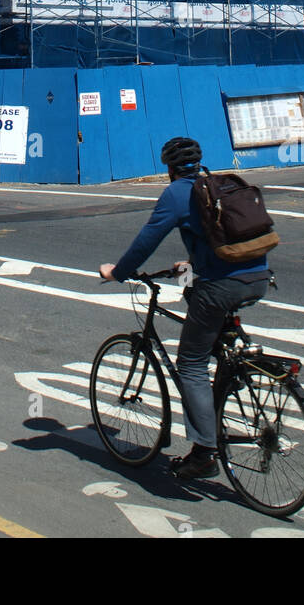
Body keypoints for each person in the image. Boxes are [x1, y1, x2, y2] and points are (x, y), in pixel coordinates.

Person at [99, 136, 270, 480]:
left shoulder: (177, 193)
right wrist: (192, 261)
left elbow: (147, 239)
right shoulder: (218, 185)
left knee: (190, 363)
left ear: (169, 168)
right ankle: (230, 372)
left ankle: (204, 452)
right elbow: (218, 234)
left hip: (221, 287)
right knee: (201, 303)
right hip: (259, 277)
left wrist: (117, 272)